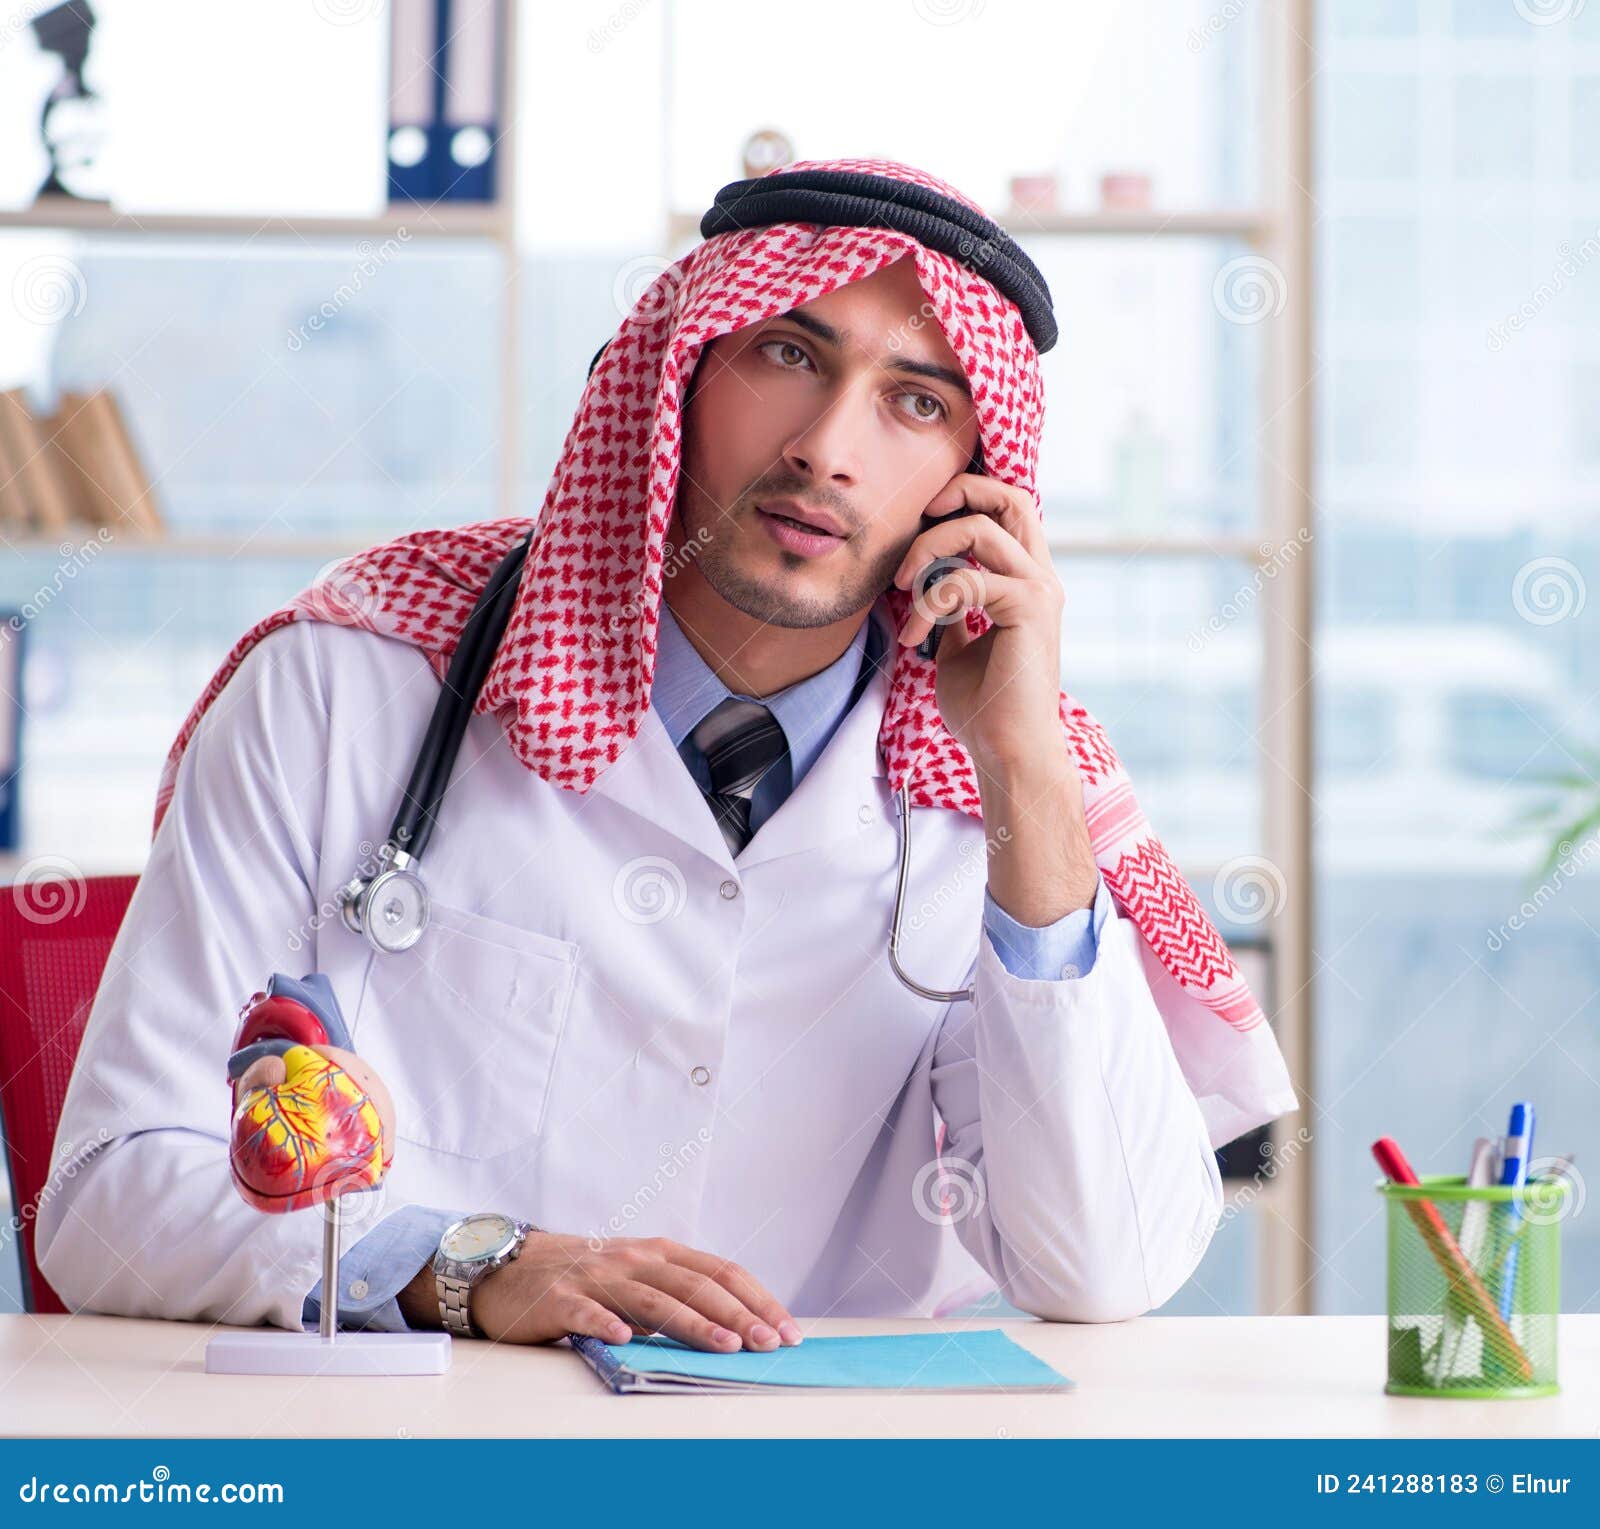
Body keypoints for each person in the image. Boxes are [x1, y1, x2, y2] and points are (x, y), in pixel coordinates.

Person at [37, 158, 1296, 1354]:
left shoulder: (990, 786)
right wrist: (467, 1263)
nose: (827, 446)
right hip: (423, 1449)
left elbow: (1102, 1265)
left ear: (969, 486)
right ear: (674, 379)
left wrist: (1026, 773)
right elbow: (106, 1201)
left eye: (917, 400)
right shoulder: (347, 684)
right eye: (788, 354)